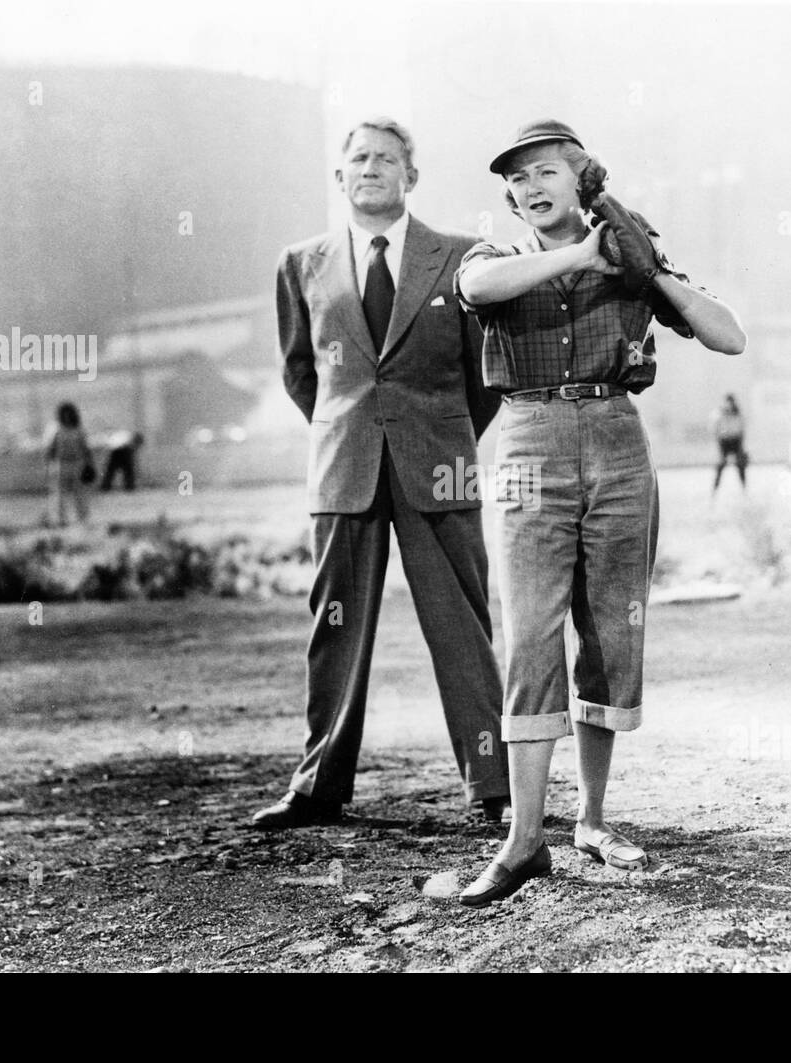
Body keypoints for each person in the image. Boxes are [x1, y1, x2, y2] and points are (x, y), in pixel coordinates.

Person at [453, 119, 745, 906]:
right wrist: (588, 253)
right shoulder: (497, 256)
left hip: (617, 434)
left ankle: (592, 818)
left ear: (581, 179)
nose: (530, 187)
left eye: (545, 171)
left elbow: (730, 335)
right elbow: (474, 292)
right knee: (528, 629)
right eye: (517, 180)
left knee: (613, 626)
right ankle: (522, 840)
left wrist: (646, 269)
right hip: (526, 439)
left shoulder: (630, 249)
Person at [252, 117, 510, 831]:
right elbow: (301, 371)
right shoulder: (300, 263)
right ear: (340, 178)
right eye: (359, 157)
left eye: (387, 158)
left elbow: (483, 377)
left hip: (441, 466)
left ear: (410, 176)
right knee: (334, 625)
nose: (372, 167)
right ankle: (318, 788)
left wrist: (441, 435)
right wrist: (351, 429)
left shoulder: (459, 256)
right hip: (345, 469)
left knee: (461, 622)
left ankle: (494, 784)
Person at [44, 402, 94, 527]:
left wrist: (89, 464)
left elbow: (85, 448)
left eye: (69, 413)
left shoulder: (78, 429)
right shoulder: (56, 429)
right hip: (61, 464)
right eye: (64, 414)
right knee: (59, 495)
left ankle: (83, 519)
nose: (67, 416)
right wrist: (49, 466)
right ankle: (60, 520)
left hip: (77, 463)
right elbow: (50, 449)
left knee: (80, 494)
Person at [711, 393, 747, 493]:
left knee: (741, 465)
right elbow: (715, 429)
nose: (730, 405)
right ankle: (715, 491)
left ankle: (744, 489)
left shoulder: (738, 414)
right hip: (724, 441)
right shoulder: (719, 413)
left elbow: (741, 430)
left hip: (735, 441)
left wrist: (741, 447)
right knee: (720, 466)